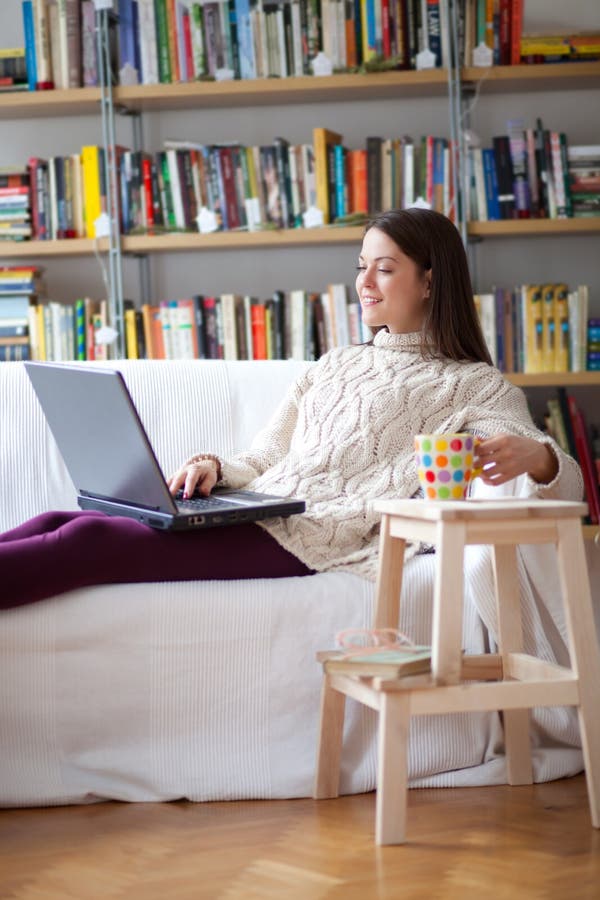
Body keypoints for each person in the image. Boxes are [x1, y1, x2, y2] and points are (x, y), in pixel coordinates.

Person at [0, 208, 582, 610]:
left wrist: (536, 456)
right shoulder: (335, 364)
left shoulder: (472, 385)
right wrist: (216, 470)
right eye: (361, 265)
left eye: (384, 267)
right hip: (257, 509)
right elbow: (267, 455)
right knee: (63, 521)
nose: (365, 282)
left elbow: (565, 478)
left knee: (87, 545)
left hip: (313, 537)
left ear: (430, 282)